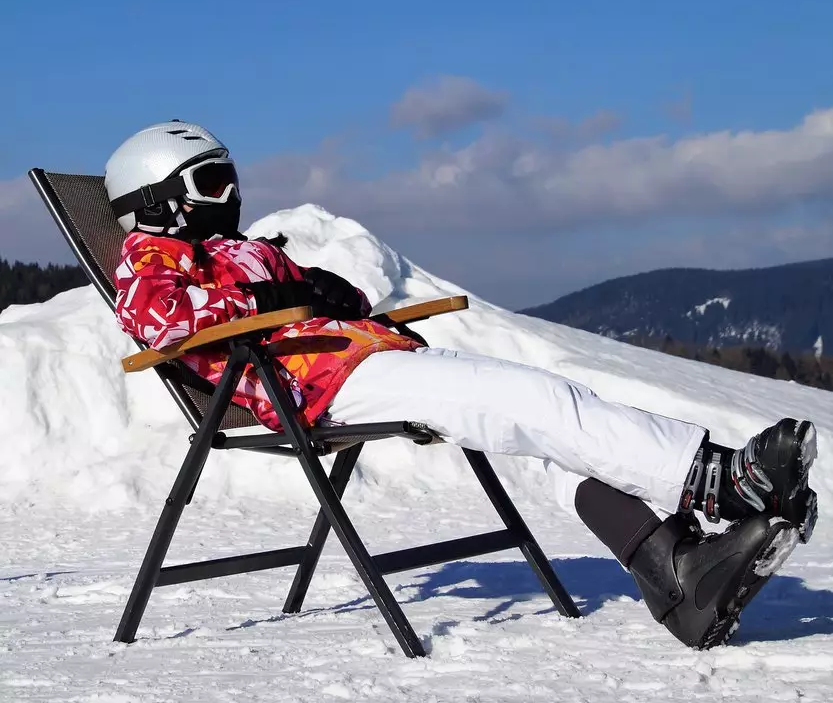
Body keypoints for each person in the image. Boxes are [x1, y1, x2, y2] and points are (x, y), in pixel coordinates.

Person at [105, 121, 819, 650]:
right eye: (210, 183)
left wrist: (329, 289)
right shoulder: (149, 259)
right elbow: (158, 321)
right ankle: (721, 482)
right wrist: (274, 305)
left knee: (539, 424)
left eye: (230, 177)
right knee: (526, 403)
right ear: (159, 200)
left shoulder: (240, 250)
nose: (229, 195)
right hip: (308, 382)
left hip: (354, 359)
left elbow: (325, 295)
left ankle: (677, 571)